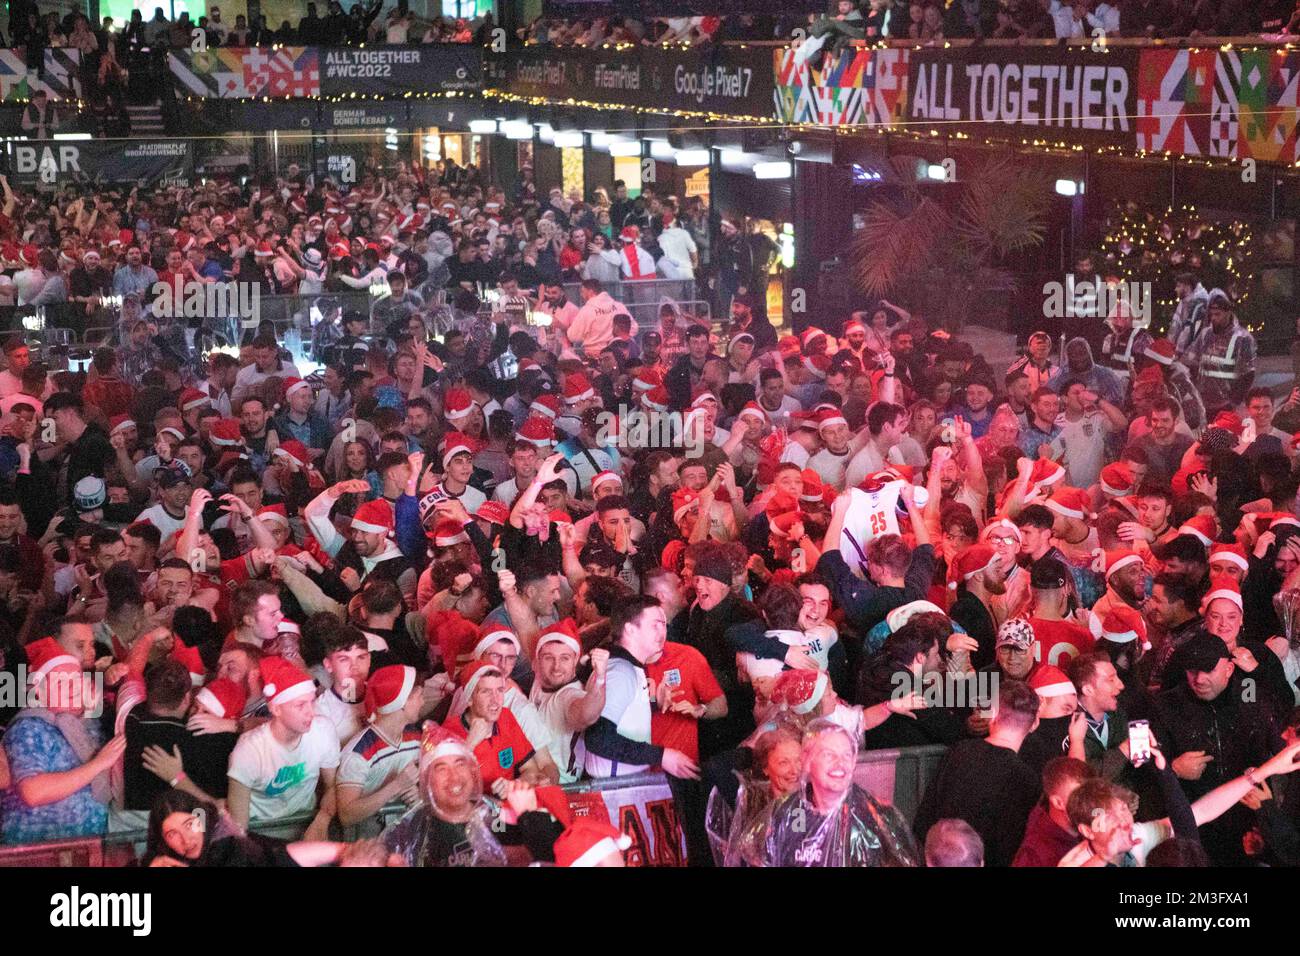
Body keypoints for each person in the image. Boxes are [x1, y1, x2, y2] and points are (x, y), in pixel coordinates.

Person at [914, 679, 1042, 867]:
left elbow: (923, 820)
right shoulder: (1027, 779)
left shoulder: (960, 751)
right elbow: (1013, 848)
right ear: (1034, 724)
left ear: (992, 715)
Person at [761, 719, 919, 867]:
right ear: (807, 761)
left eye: (846, 755)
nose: (840, 763)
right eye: (828, 755)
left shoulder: (879, 818)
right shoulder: (787, 815)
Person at [225, 656, 341, 839]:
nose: (311, 711)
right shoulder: (249, 750)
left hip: (305, 823)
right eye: (300, 705)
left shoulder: (323, 730)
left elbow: (333, 786)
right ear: (276, 709)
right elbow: (238, 825)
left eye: (312, 701)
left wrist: (321, 822)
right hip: (261, 831)